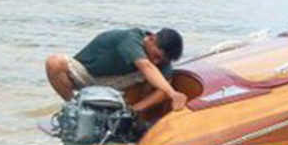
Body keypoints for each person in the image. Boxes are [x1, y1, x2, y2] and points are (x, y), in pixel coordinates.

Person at [45, 27, 187, 111]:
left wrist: (136, 109)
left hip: (117, 85)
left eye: (162, 60)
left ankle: (130, 116)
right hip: (87, 75)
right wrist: (173, 94)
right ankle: (74, 108)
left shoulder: (158, 62)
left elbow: (164, 88)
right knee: (54, 62)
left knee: (159, 80)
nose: (156, 61)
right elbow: (146, 66)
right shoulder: (131, 38)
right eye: (156, 56)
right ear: (151, 39)